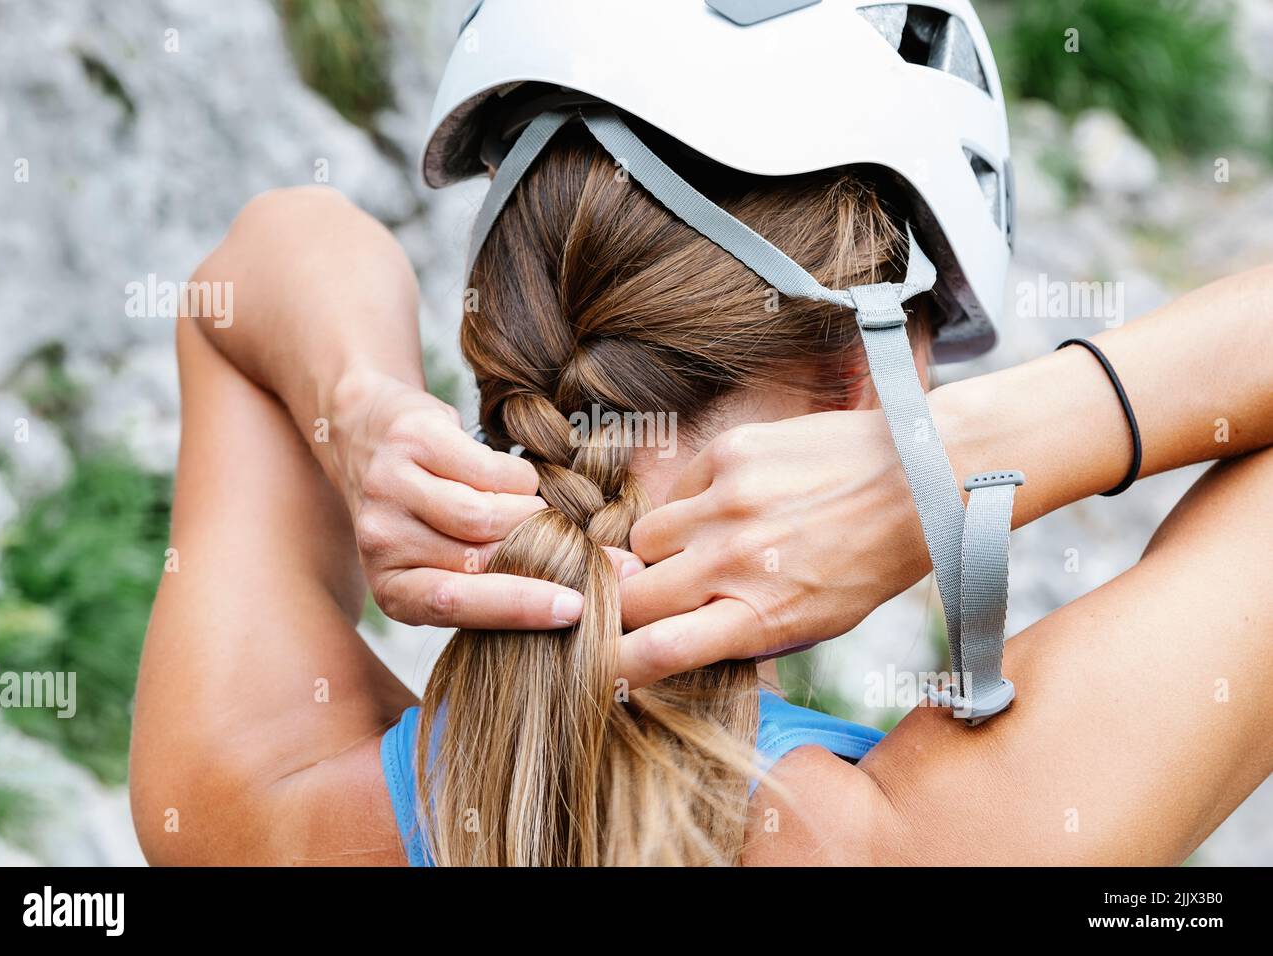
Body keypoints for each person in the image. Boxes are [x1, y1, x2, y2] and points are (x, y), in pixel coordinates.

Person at [130, 0, 1273, 865]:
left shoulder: (259, 802)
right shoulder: (952, 830)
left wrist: (362, 408)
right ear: (868, 380)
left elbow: (263, 263)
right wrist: (952, 460)